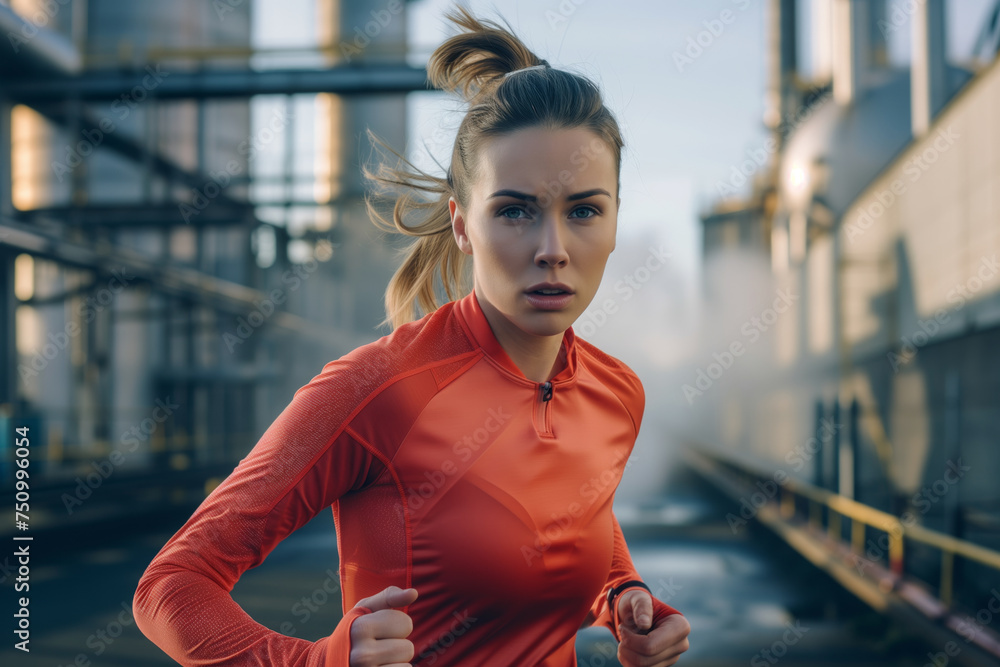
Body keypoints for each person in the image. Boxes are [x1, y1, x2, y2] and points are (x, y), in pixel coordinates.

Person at [133, 4, 690, 666]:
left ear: (616, 219)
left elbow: (571, 512)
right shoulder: (378, 390)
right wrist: (313, 662)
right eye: (515, 211)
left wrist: (622, 591)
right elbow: (170, 586)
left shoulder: (616, 393)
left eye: (584, 211)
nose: (553, 249)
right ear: (461, 224)